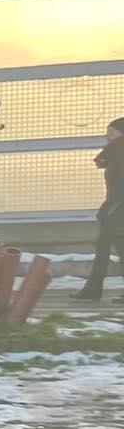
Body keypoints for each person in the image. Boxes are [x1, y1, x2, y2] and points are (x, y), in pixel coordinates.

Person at [78, 117, 124, 302]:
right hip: (117, 208)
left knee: (103, 250)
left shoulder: (119, 146)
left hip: (116, 209)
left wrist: (109, 208)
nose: (107, 135)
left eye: (111, 131)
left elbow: (100, 160)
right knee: (120, 250)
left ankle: (92, 290)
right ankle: (92, 290)